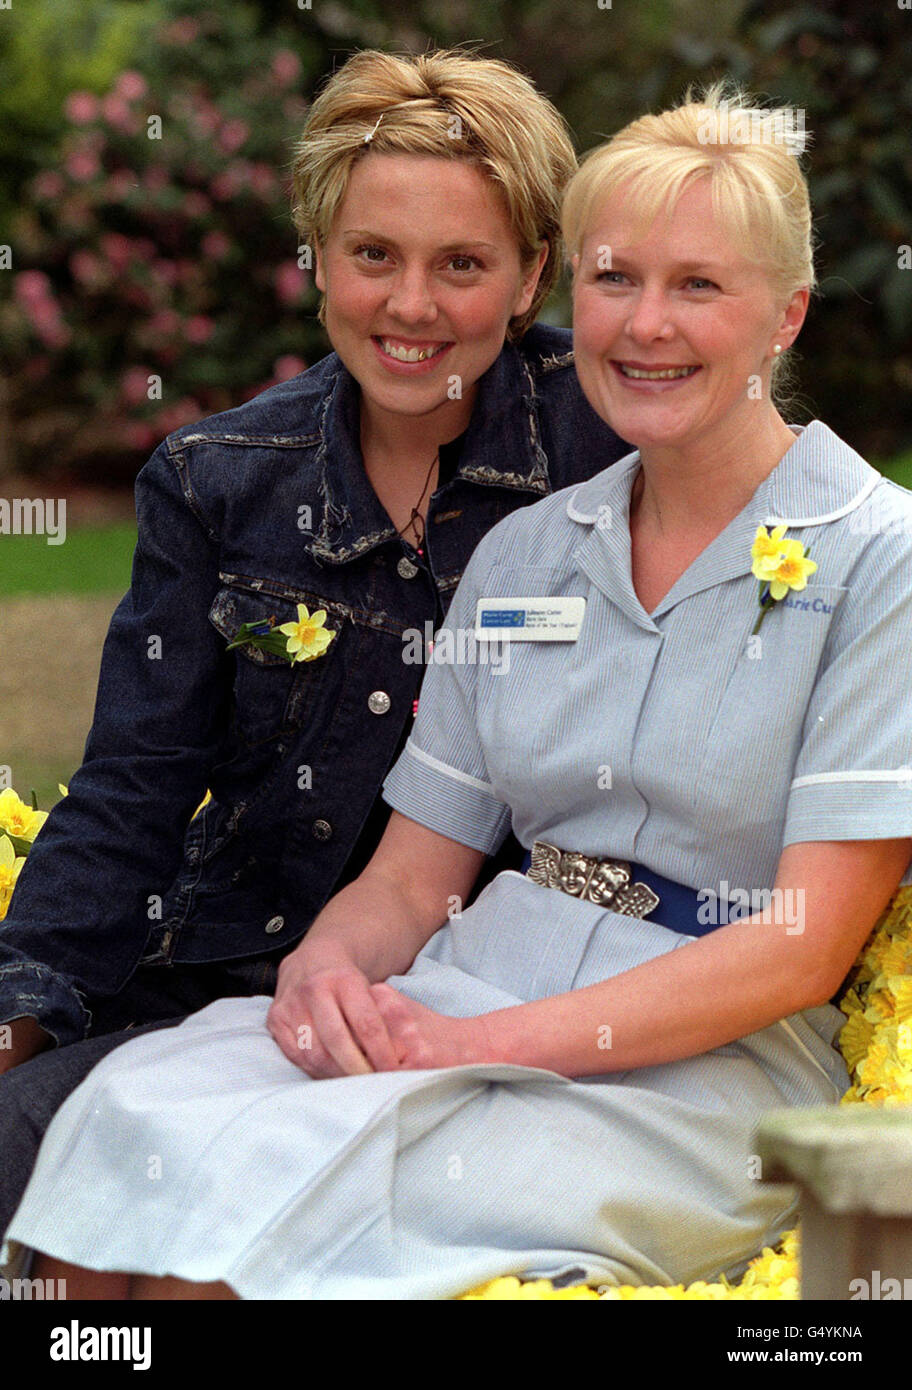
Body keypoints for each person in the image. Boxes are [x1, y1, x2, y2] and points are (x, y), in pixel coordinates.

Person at [5, 85, 912, 1302]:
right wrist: (326, 972)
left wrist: (483, 1048)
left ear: (786, 313)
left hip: (700, 1063)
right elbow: (411, 881)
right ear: (571, 296)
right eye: (614, 279)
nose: (646, 325)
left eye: (698, 284)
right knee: (110, 1171)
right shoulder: (528, 553)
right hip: (472, 978)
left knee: (219, 1271)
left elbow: (801, 948)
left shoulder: (876, 559)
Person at [0, 48, 628, 1234]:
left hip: (489, 1008)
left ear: (532, 272)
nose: (411, 306)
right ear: (317, 258)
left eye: (463, 264)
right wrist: (18, 1010)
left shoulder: (610, 453)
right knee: (23, 1157)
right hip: (229, 968)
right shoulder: (218, 479)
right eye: (372, 256)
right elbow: (131, 794)